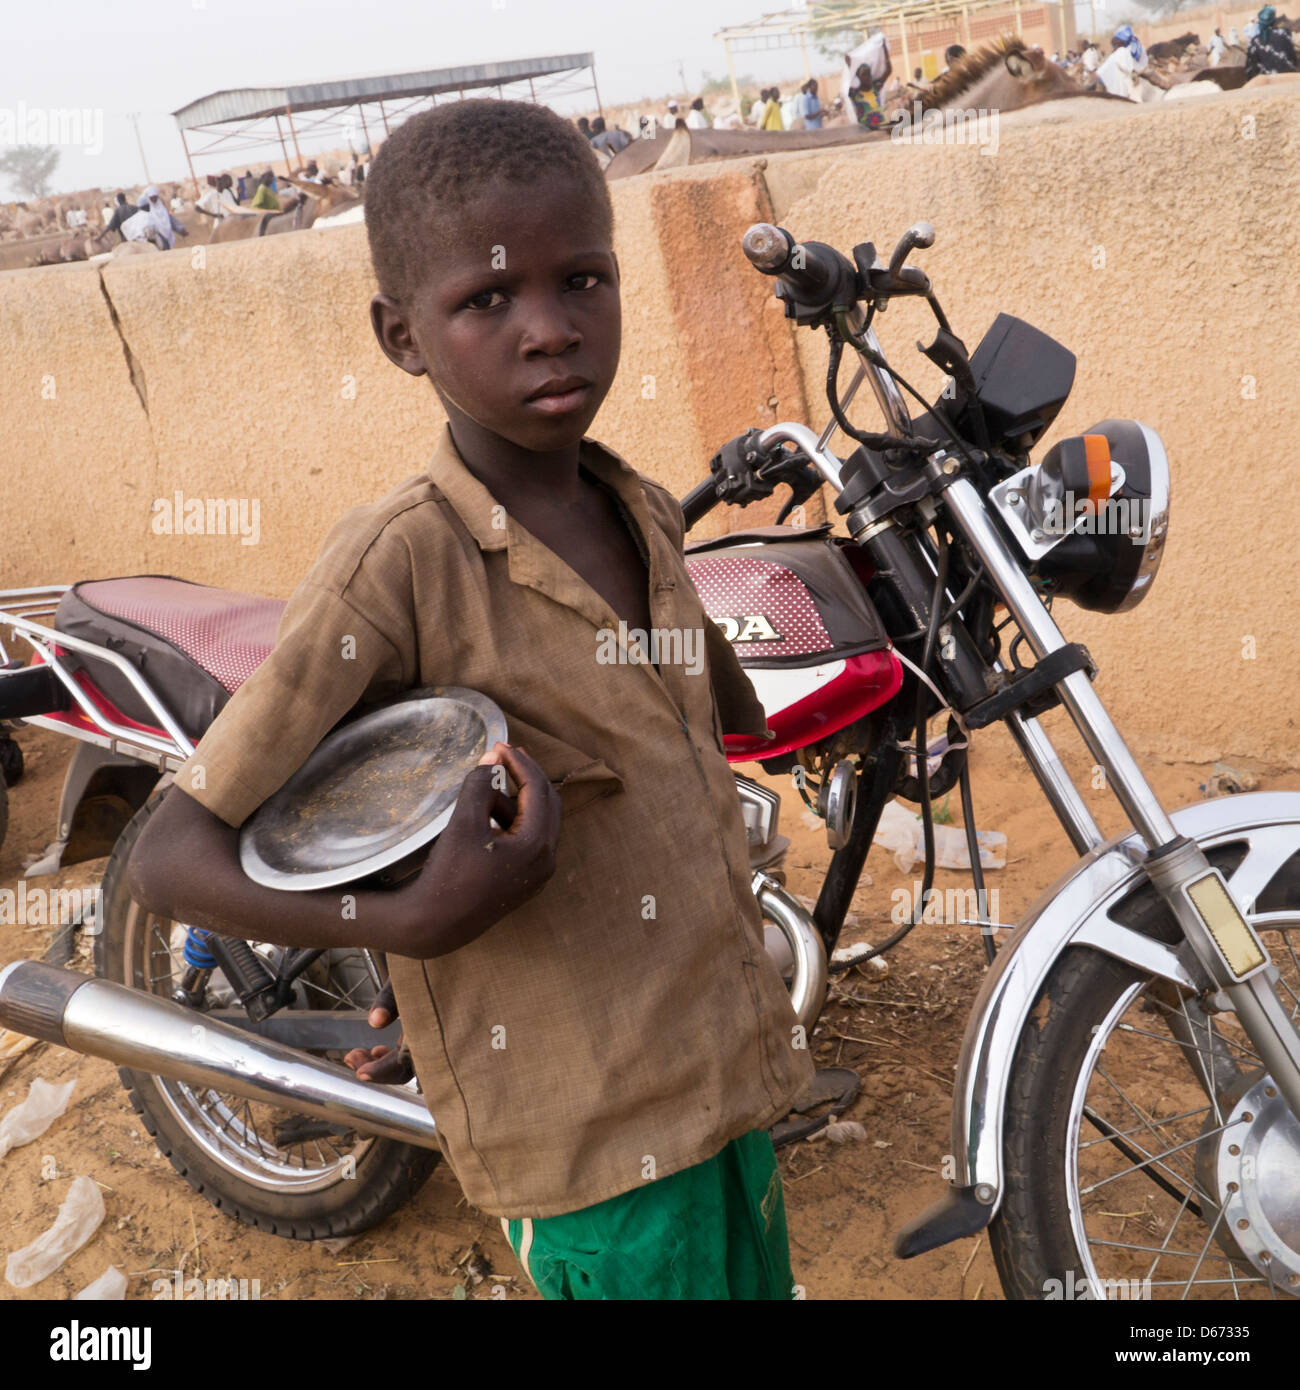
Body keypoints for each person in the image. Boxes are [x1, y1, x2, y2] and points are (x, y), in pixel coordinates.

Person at [125, 98, 813, 1302]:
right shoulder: (398, 566)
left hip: (726, 1075)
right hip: (587, 1142)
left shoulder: (643, 509)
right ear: (402, 335)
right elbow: (174, 857)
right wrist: (399, 926)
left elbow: (712, 705)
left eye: (582, 281)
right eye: (488, 301)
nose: (549, 330)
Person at [1246, 5, 1299, 75]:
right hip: (1288, 75)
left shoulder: (1254, 42)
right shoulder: (1284, 33)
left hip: (1267, 80)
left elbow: (1251, 69)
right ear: (1274, 20)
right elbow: (1293, 57)